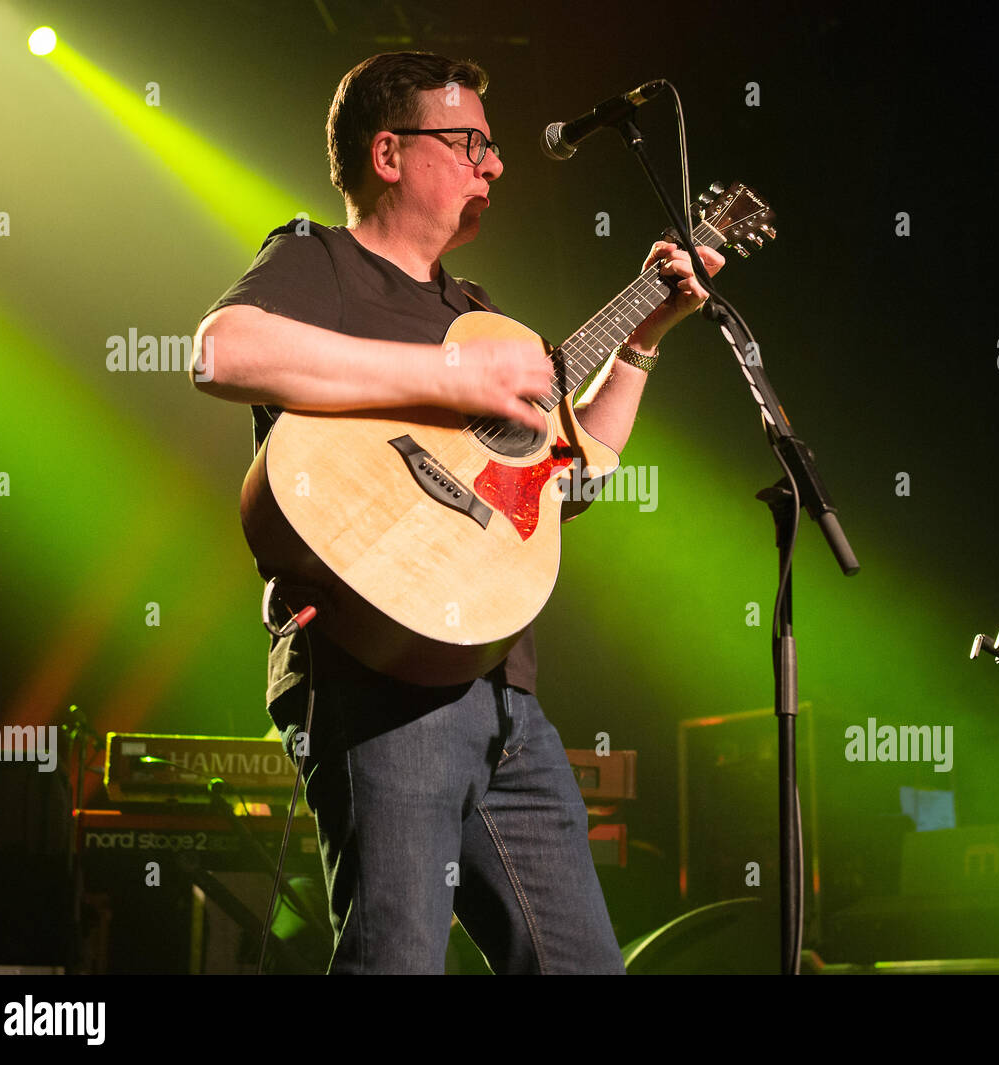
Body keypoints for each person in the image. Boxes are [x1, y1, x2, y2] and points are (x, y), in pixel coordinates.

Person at [191, 51, 723, 973]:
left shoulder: (481, 315)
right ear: (389, 154)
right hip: (377, 673)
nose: (497, 163)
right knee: (397, 959)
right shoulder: (319, 259)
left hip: (501, 687)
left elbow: (571, 477)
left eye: (495, 147)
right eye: (471, 141)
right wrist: (450, 373)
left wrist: (642, 337)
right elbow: (221, 351)